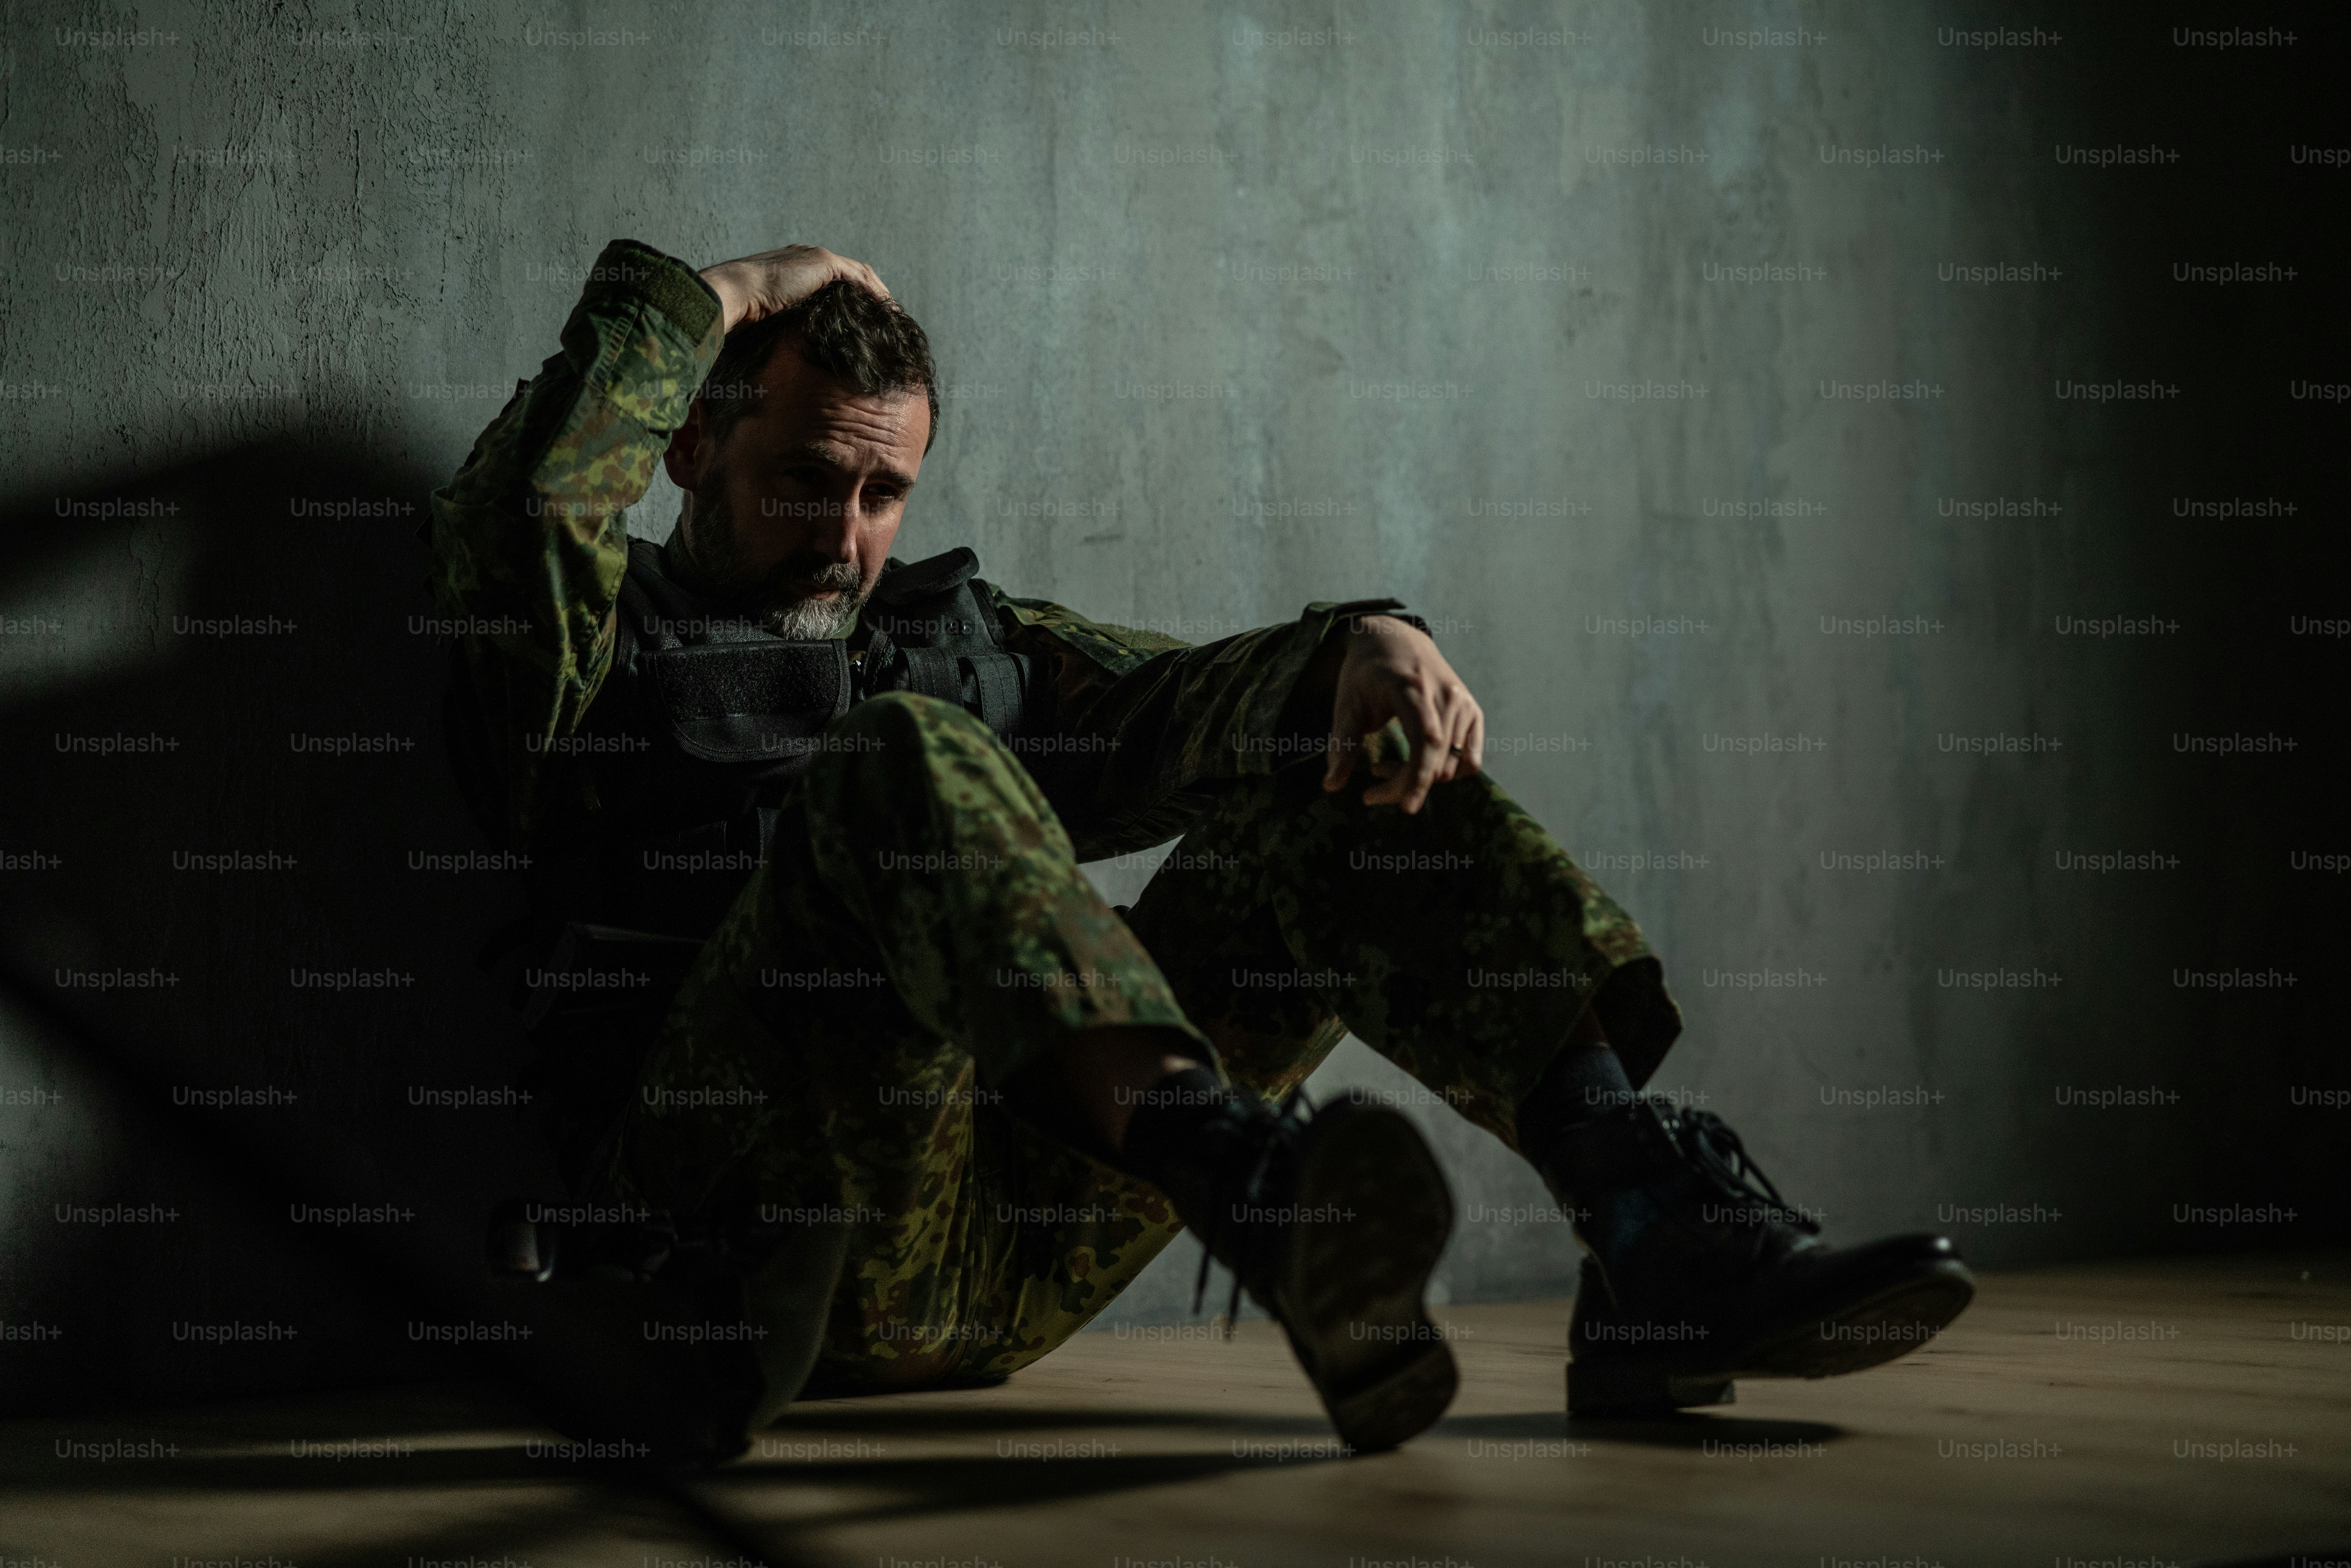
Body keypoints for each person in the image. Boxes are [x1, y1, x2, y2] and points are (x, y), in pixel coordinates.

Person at [427, 238, 1973, 1463]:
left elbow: (1199, 704)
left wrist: (1372, 643)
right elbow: (524, 511)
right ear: (692, 448)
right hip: (753, 1250)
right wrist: (733, 289)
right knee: (902, 763)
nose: (846, 534)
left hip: (1017, 1239)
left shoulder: (955, 642)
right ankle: (1260, 1189)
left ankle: (1648, 1223)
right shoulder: (591, 654)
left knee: (1330, 760)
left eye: (885, 490)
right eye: (804, 480)